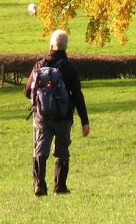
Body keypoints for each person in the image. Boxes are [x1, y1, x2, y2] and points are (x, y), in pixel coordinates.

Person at [24, 29, 90, 196]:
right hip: (63, 117)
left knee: (40, 149)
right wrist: (85, 121)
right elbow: (77, 96)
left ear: (51, 45)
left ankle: (39, 184)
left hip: (42, 117)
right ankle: (60, 186)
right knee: (62, 151)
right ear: (65, 47)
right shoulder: (69, 68)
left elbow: (27, 91)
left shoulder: (39, 65)